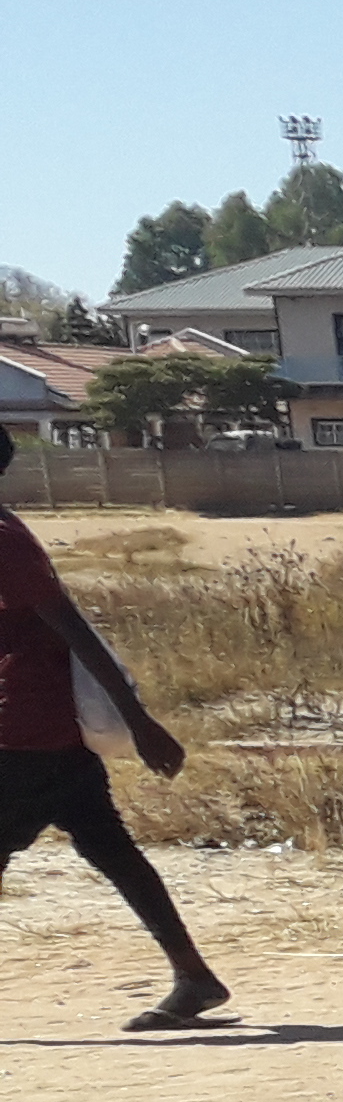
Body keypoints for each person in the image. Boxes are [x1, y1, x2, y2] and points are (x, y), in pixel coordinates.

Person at [0, 436, 228, 1029]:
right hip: (43, 733)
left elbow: (70, 627)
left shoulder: (5, 543)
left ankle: (195, 977)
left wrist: (139, 720)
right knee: (113, 852)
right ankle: (194, 978)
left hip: (27, 732)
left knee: (112, 853)